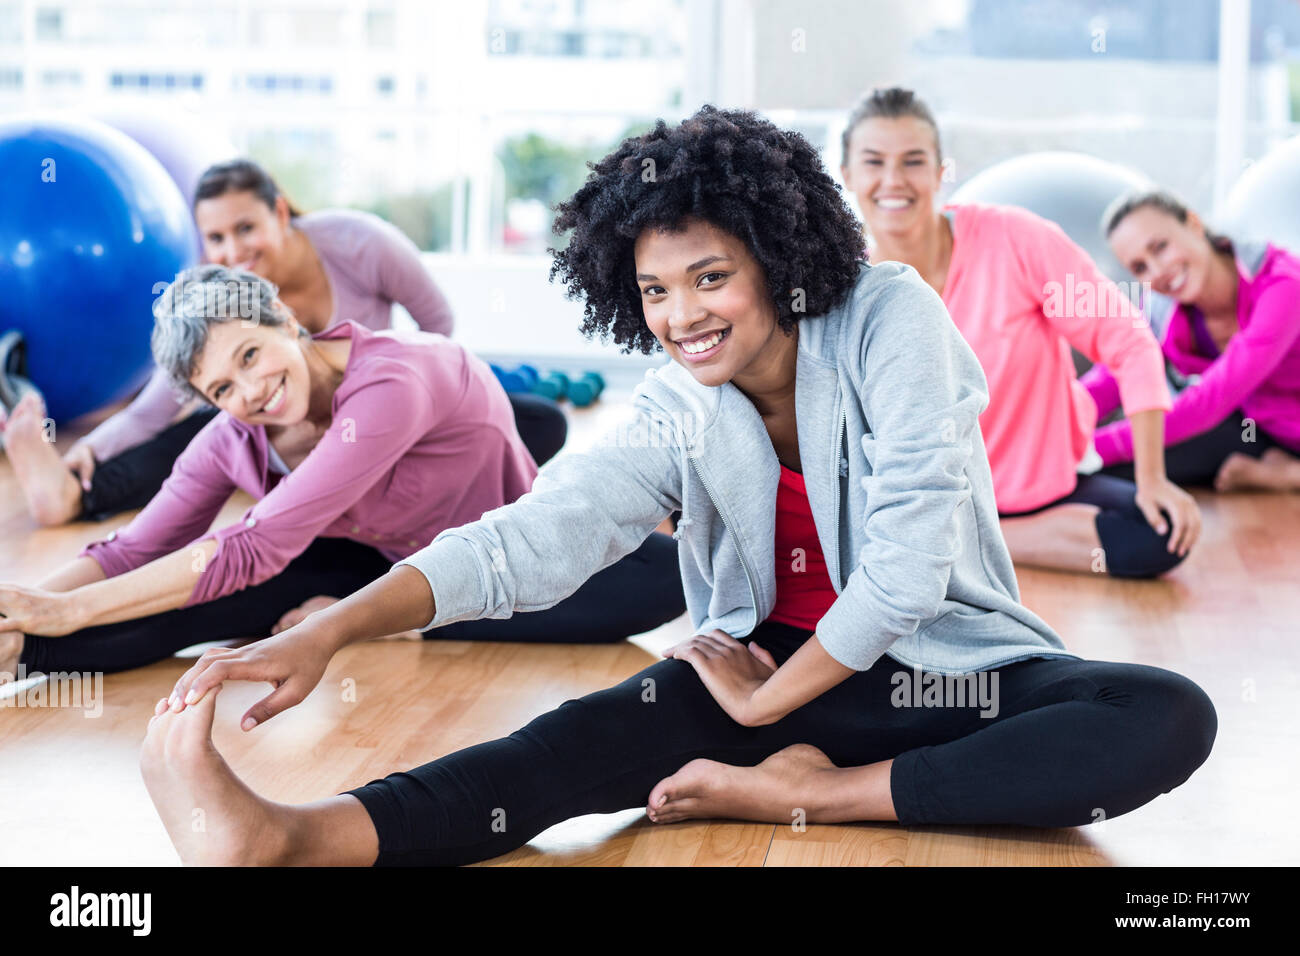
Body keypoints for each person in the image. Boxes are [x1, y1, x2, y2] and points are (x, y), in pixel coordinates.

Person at [134, 107, 1215, 867]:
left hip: (937, 673)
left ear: (780, 257)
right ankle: (289, 836)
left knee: (1161, 711)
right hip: (759, 666)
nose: (681, 313)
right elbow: (534, 534)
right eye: (653, 289)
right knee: (556, 750)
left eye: (710, 277)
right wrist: (336, 631)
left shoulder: (890, 317)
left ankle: (817, 794)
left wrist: (766, 719)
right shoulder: (676, 398)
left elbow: (906, 568)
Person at [0, 265, 682, 680]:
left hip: (506, 556)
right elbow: (130, 550)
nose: (248, 393)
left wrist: (71, 608)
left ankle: (383, 620)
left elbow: (257, 545)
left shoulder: (391, 382)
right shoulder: (231, 437)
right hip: (378, 559)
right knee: (192, 608)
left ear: (286, 321)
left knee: (667, 577)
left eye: (249, 355)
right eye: (220, 389)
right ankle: (16, 662)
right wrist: (27, 610)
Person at [0, 159, 568, 526]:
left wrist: (394, 405)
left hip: (387, 411)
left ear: (278, 211)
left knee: (542, 421)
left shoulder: (358, 242)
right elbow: (157, 405)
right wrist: (92, 447)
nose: (232, 250)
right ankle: (78, 496)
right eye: (216, 238)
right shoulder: (227, 298)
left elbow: (436, 325)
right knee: (212, 422)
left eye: (245, 228)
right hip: (287, 429)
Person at [839, 87, 1201, 578]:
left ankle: (965, 542)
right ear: (847, 176)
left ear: (941, 172)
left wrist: (1152, 478)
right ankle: (946, 539)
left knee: (1160, 532)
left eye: (913, 161)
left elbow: (1129, 340)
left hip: (1041, 493)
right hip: (912, 506)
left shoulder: (1016, 239)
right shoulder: (841, 282)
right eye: (874, 162)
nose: (893, 180)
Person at [1087, 189, 1300, 492]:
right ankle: (1273, 464)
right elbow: (1116, 373)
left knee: (1099, 456)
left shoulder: (1284, 284)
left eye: (1160, 247)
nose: (1158, 271)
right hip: (1259, 428)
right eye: (1140, 267)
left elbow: (1210, 399)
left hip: (1260, 419)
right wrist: (1048, 422)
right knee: (1111, 473)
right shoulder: (1162, 310)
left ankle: (1286, 475)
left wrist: (1086, 449)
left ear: (1193, 224)